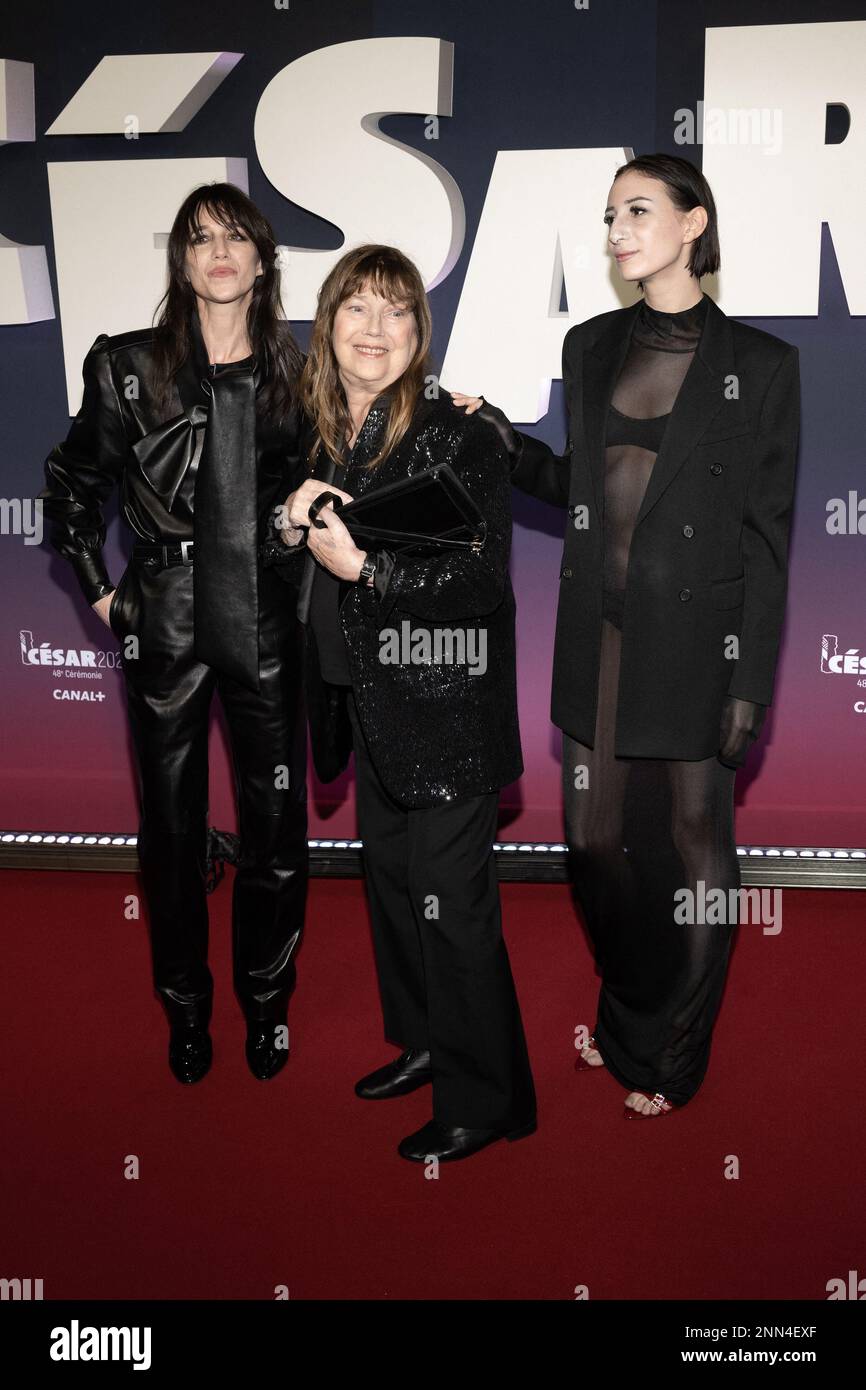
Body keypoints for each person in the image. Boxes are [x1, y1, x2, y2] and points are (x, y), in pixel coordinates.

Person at [454, 153, 800, 1116]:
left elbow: (767, 538)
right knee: (597, 843)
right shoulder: (592, 345)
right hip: (598, 636)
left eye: (638, 209)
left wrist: (750, 681)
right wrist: (505, 444)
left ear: (694, 224)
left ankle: (672, 1055)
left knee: (694, 852)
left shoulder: (764, 366)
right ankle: (629, 1010)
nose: (617, 226)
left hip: (704, 650)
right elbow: (582, 487)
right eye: (610, 213)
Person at [39, 183, 309, 1085]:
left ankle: (267, 1006)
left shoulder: (297, 379)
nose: (220, 251)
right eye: (200, 239)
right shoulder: (126, 368)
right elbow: (72, 485)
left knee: (274, 828)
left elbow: (345, 475)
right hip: (166, 612)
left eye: (237, 237)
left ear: (264, 260)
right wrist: (101, 594)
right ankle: (187, 1010)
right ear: (183, 262)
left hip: (266, 615)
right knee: (170, 829)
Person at [279, 243, 537, 1161]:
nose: (375, 329)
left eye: (397, 312)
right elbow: (286, 547)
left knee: (454, 906)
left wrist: (366, 566)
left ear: (420, 334)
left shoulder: (454, 430)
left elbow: (482, 580)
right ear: (329, 323)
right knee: (393, 891)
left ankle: (489, 1098)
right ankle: (429, 1043)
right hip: (367, 700)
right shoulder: (316, 431)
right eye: (358, 308)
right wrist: (288, 519)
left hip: (446, 704)